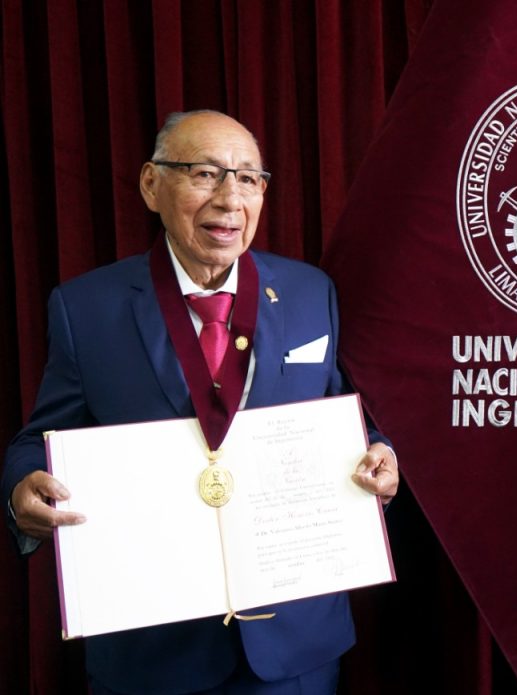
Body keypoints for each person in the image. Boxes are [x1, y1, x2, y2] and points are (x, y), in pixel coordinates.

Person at [1, 110, 399, 694]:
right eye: (205, 173)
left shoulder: (312, 292)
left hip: (295, 645)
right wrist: (20, 489)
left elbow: (344, 417)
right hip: (151, 646)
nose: (230, 197)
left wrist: (378, 454)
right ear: (150, 184)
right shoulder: (85, 308)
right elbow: (38, 438)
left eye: (247, 178)